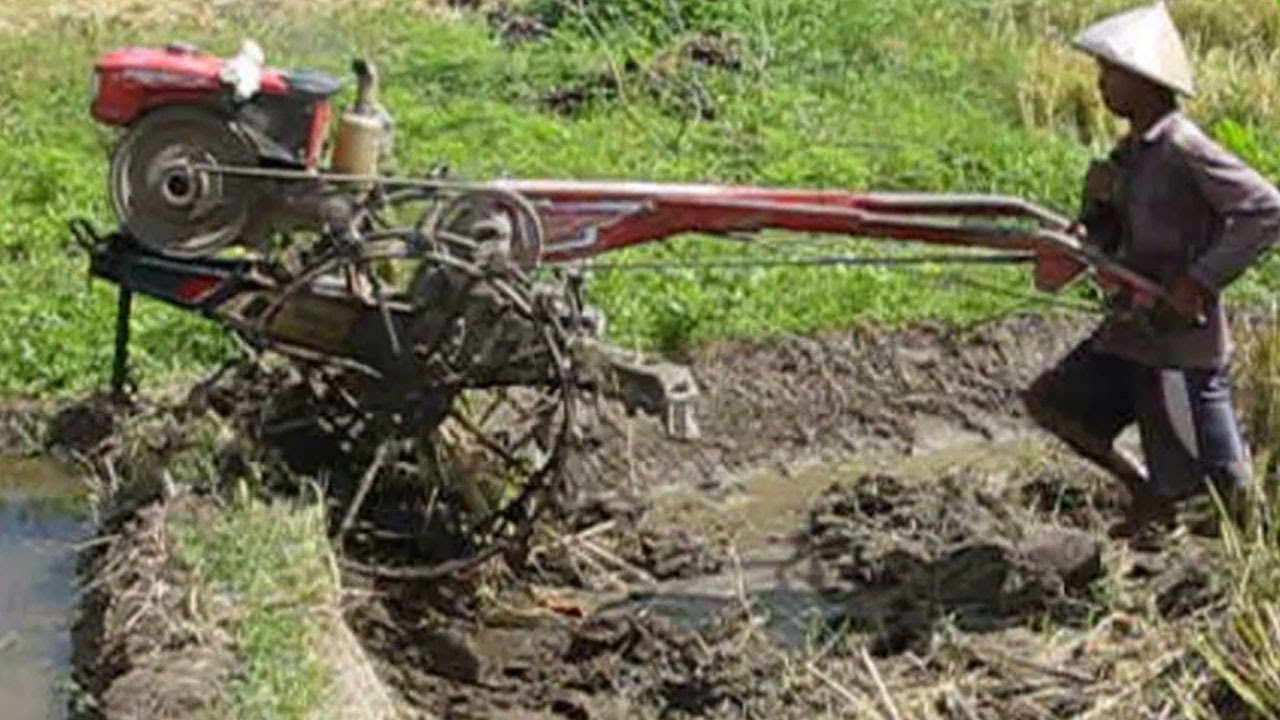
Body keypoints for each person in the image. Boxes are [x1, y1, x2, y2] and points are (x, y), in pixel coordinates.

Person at [1022, 2, 1280, 537]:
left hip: (1181, 348)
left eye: (1109, 72)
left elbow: (1265, 208)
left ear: (1144, 81)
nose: (1100, 84)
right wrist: (1082, 238)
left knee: (1227, 492)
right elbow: (1106, 228)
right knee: (1055, 403)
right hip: (1129, 336)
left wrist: (1199, 281)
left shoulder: (1184, 148)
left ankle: (1241, 552)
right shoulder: (1128, 155)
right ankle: (1145, 493)